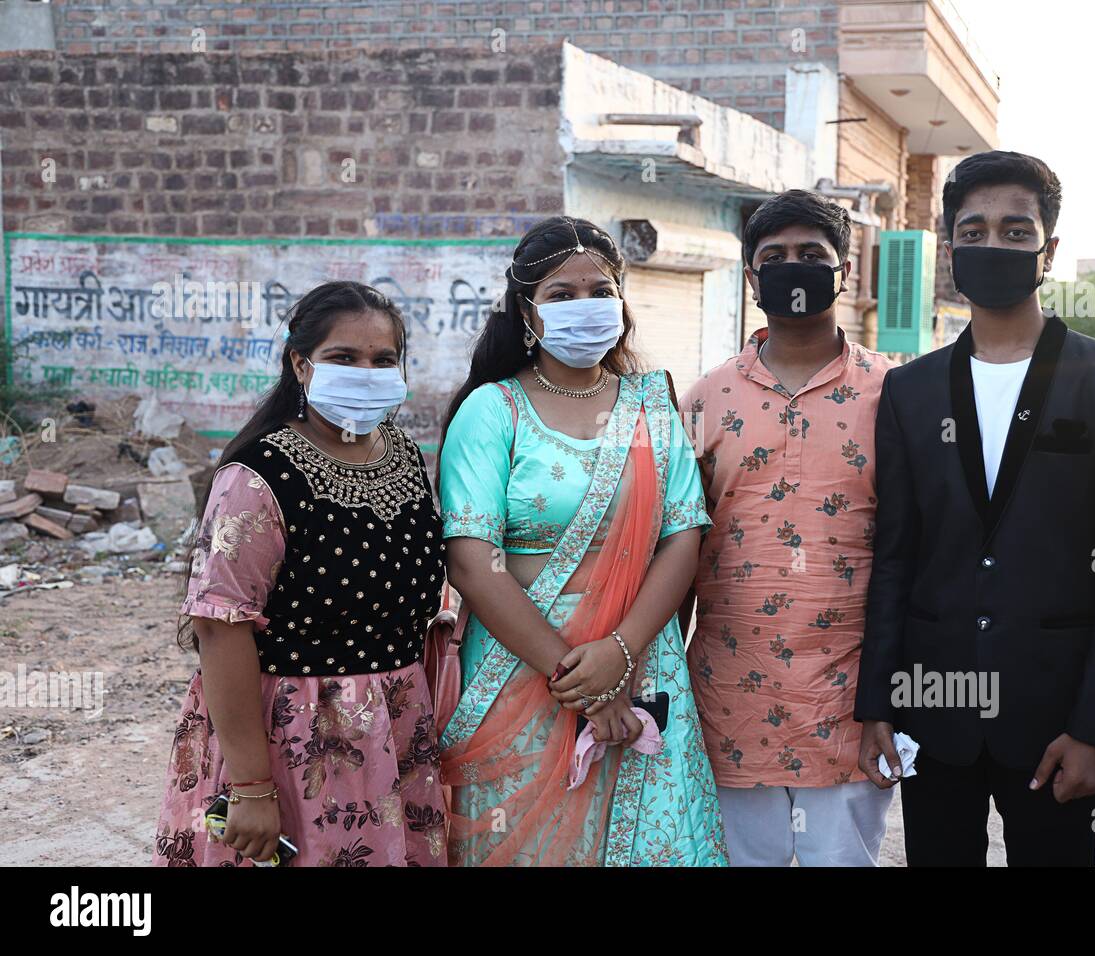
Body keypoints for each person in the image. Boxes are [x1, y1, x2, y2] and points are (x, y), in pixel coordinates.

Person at [855, 150, 1095, 866]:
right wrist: (877, 702)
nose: (992, 245)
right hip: (934, 707)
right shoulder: (911, 391)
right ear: (950, 248)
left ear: (1048, 250)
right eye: (974, 230)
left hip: (1054, 719)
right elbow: (896, 555)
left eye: (1014, 231)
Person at [436, 216, 727, 866]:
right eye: (560, 295)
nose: (584, 307)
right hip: (521, 671)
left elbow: (684, 535)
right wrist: (585, 681)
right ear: (526, 312)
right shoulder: (493, 409)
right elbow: (473, 562)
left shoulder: (653, 405)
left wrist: (621, 653)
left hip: (640, 661)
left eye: (600, 290)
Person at [154, 281, 449, 866]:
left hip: (395, 731)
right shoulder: (258, 476)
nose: (366, 373)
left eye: (382, 360)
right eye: (344, 358)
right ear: (300, 363)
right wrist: (251, 789)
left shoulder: (406, 455)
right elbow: (221, 629)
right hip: (290, 740)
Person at [678, 190, 895, 866]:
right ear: (750, 277)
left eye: (812, 256)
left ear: (846, 271)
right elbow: (675, 547)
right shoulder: (705, 397)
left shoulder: (897, 394)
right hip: (728, 697)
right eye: (774, 257)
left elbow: (917, 548)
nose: (792, 268)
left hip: (851, 701)